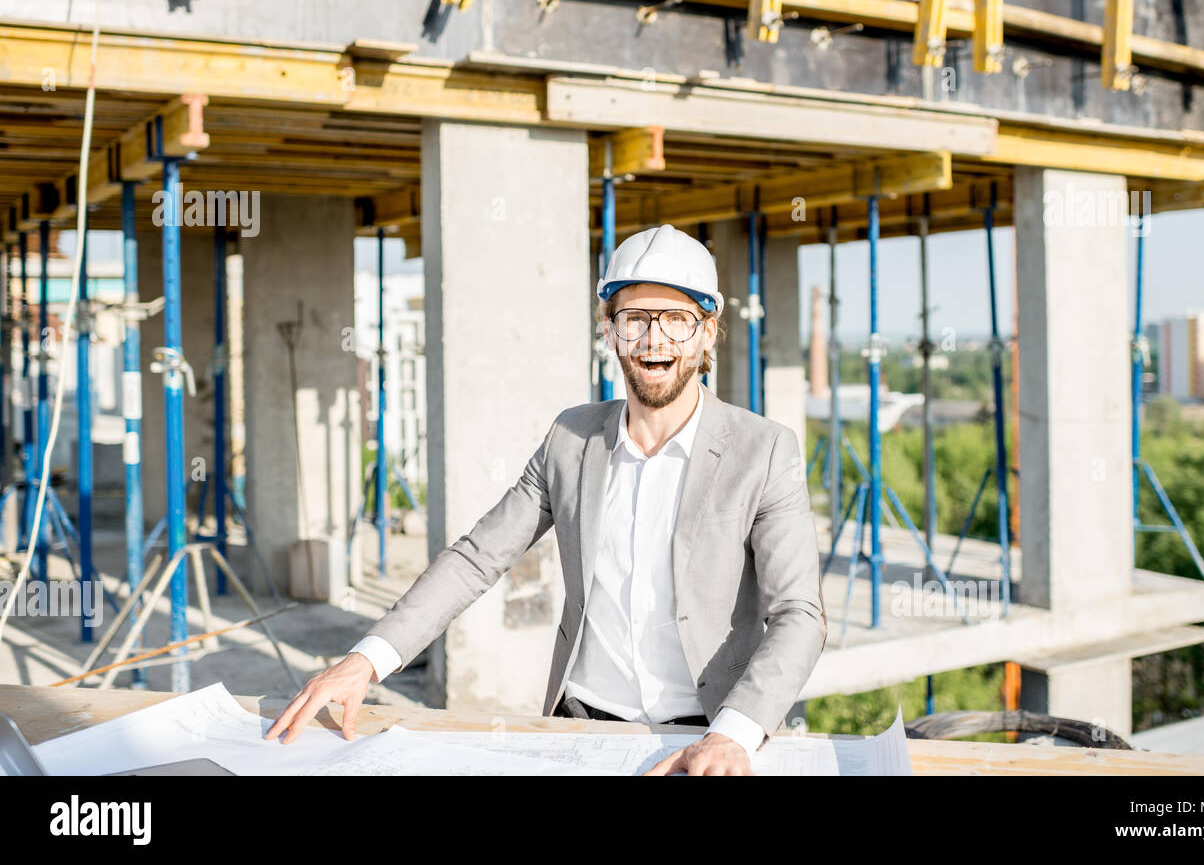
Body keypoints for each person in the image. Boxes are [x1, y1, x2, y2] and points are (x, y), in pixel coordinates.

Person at [266, 223, 827, 775]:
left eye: (677, 321)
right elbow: (476, 558)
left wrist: (733, 734)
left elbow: (799, 614)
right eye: (635, 320)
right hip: (581, 725)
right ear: (610, 332)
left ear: (707, 333)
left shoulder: (764, 450)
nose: (655, 340)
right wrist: (367, 660)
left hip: (709, 732)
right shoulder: (571, 440)